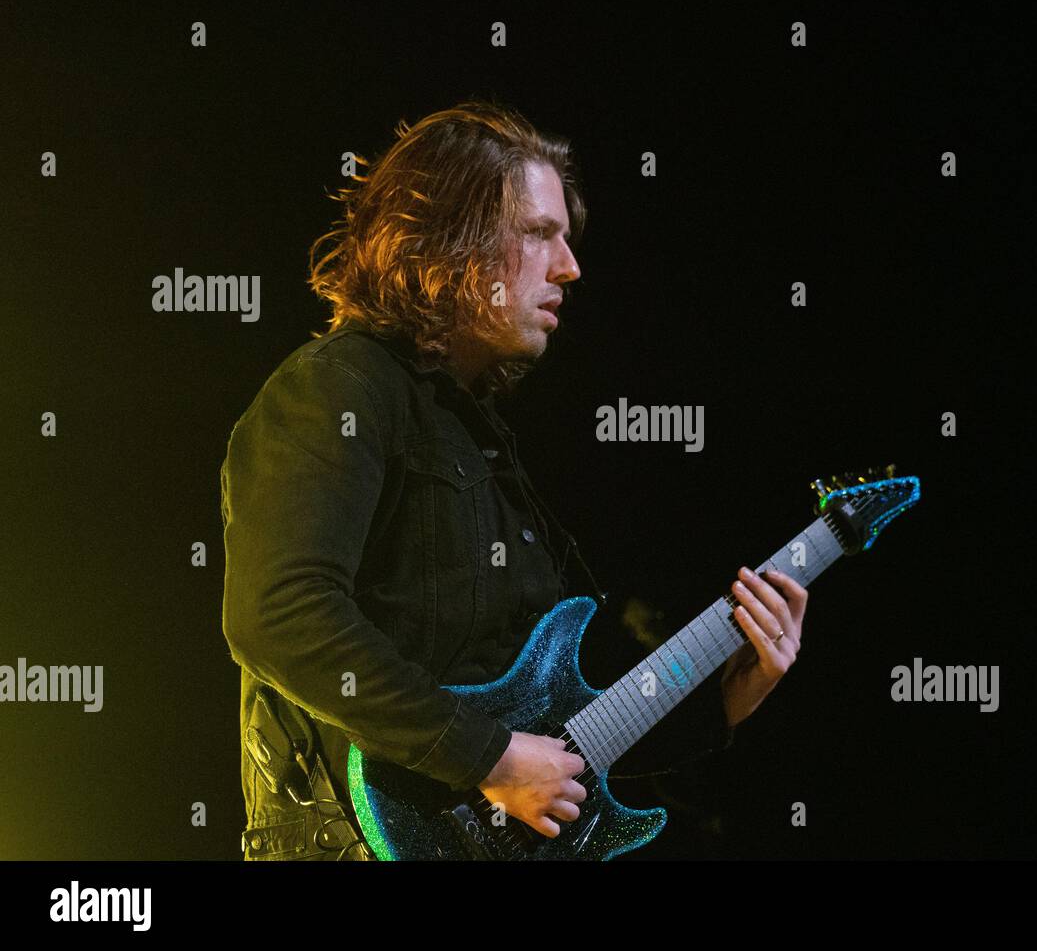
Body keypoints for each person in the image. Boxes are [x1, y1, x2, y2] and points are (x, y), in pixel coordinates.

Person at [220, 100, 808, 860]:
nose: (570, 266)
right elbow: (276, 613)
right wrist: (490, 757)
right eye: (538, 234)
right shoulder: (337, 388)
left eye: (567, 237)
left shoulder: (480, 437)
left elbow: (569, 738)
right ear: (446, 242)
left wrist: (736, 690)